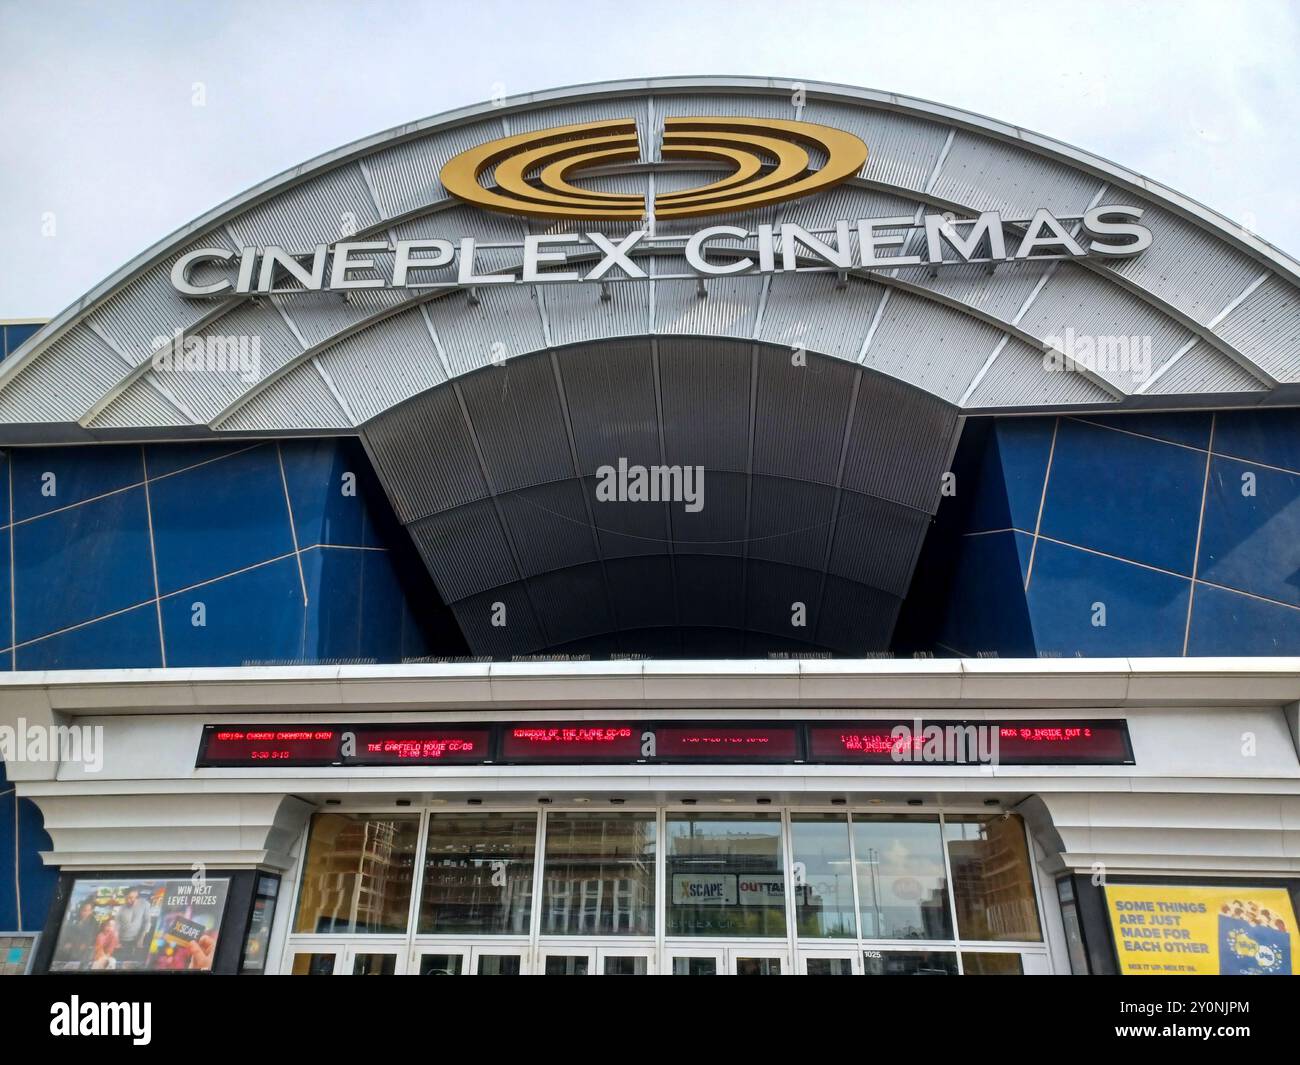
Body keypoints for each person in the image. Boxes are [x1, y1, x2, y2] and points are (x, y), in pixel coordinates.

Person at [114, 888, 154, 966]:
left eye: (131, 897)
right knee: (123, 962)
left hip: (139, 938)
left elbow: (147, 922)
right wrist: (116, 939)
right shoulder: (121, 908)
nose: (129, 900)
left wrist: (141, 938)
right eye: (127, 898)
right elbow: (117, 925)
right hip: (123, 939)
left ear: (137, 896)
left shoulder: (144, 904)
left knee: (137, 962)